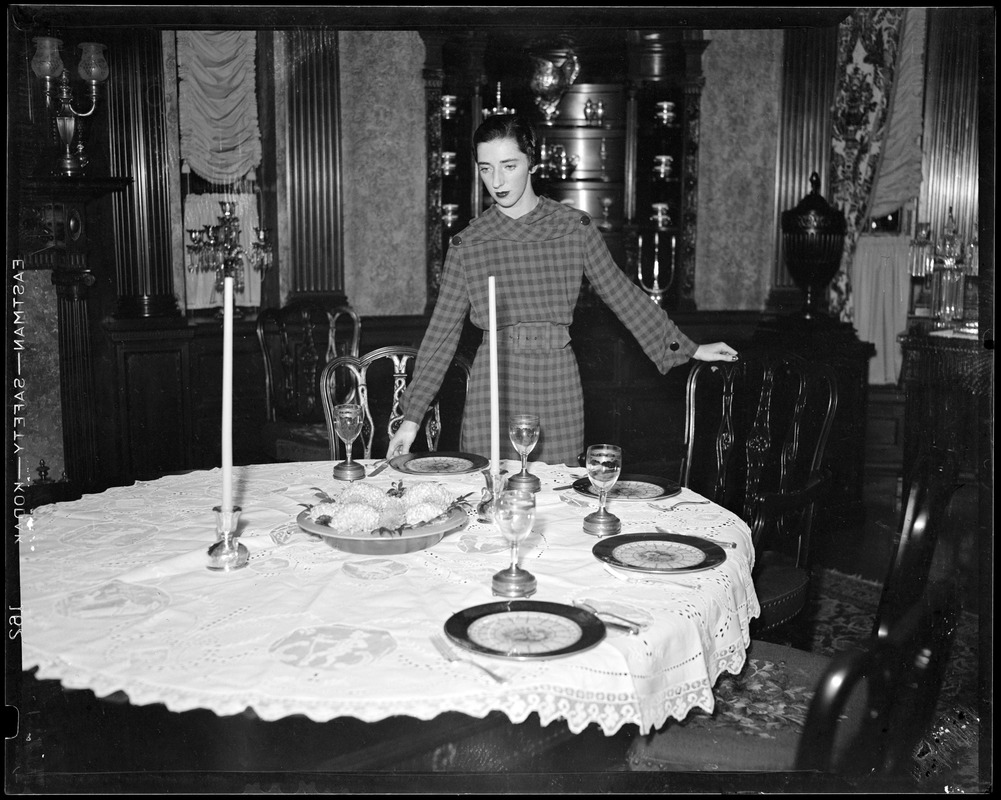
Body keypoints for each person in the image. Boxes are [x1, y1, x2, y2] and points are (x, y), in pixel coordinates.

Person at [388, 113, 738, 465]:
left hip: (556, 383)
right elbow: (440, 335)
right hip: (492, 387)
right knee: (491, 499)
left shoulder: (575, 229)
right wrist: (412, 419)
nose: (497, 181)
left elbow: (622, 293)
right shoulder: (469, 243)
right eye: (485, 169)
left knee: (558, 503)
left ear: (533, 163)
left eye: (509, 166)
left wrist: (689, 348)